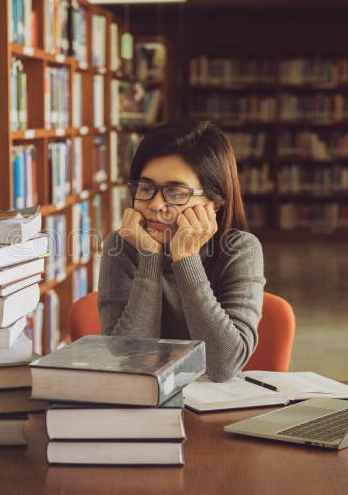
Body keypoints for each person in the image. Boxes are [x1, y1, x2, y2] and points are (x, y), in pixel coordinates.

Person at [98, 120, 265, 382]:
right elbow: (127, 362)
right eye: (145, 188)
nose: (155, 204)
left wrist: (186, 259)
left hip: (216, 405)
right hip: (141, 402)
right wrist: (149, 258)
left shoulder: (240, 250)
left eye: (175, 192)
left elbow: (223, 366)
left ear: (214, 204)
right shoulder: (121, 246)